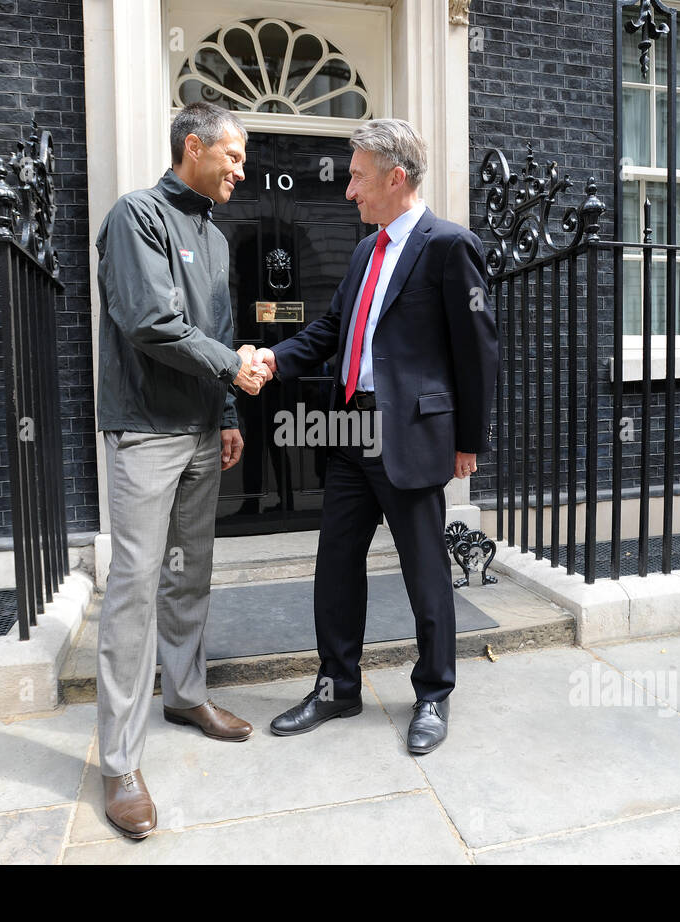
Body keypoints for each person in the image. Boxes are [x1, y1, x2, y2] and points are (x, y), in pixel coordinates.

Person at [252, 118, 497, 754]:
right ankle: (337, 686)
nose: (348, 190)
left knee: (425, 572)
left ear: (396, 177)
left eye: (358, 177)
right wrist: (273, 359)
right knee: (336, 564)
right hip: (351, 430)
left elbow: (478, 352)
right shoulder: (366, 251)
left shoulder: (449, 245)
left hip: (411, 434)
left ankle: (434, 694)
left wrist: (468, 441)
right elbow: (331, 330)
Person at [93, 102, 268, 839]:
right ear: (192, 146)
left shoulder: (216, 239)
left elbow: (218, 330)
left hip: (200, 432)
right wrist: (233, 366)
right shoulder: (136, 215)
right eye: (232, 156)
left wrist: (227, 415)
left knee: (190, 572)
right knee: (134, 587)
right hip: (145, 430)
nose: (241, 170)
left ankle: (184, 694)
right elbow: (149, 322)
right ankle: (119, 762)